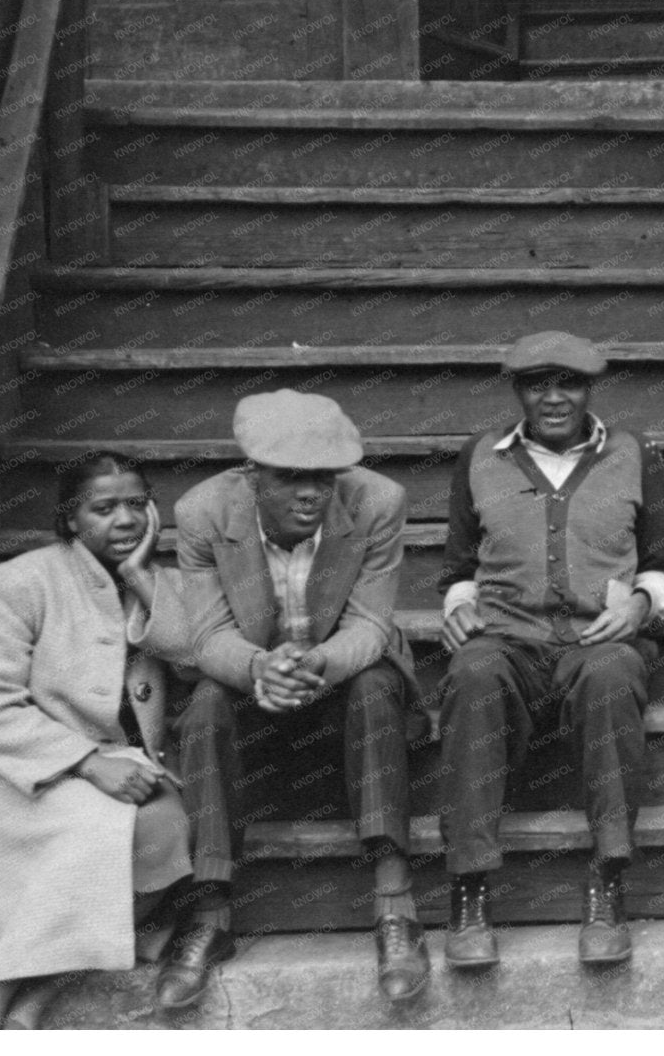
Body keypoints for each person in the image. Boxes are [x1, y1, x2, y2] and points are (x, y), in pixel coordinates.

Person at [168, 390, 429, 1006]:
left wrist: (316, 662)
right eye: (290, 479)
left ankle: (396, 901)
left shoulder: (378, 502)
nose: (311, 493)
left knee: (375, 683)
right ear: (252, 474)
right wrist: (260, 667)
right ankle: (211, 910)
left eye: (323, 477)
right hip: (253, 685)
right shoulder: (203, 511)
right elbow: (207, 636)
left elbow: (369, 624)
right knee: (205, 702)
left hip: (340, 676)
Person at [435, 331, 664, 969]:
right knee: (471, 675)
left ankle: (608, 878)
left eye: (568, 383)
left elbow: (661, 562)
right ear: (518, 391)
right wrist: (460, 607)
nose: (553, 398)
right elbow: (460, 565)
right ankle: (470, 886)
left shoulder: (634, 454)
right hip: (507, 637)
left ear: (589, 389)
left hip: (596, 638)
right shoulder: (481, 456)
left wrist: (639, 606)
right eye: (536, 384)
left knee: (611, 677)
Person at [0, 452, 193, 1029]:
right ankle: (2, 993)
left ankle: (31, 992)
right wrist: (87, 760)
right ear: (71, 520)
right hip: (24, 772)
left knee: (165, 830)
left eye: (138, 504)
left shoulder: (161, 585)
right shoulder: (18, 582)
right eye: (104, 508)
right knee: (94, 835)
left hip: (127, 766)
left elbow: (194, 659)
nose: (125, 520)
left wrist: (142, 576)